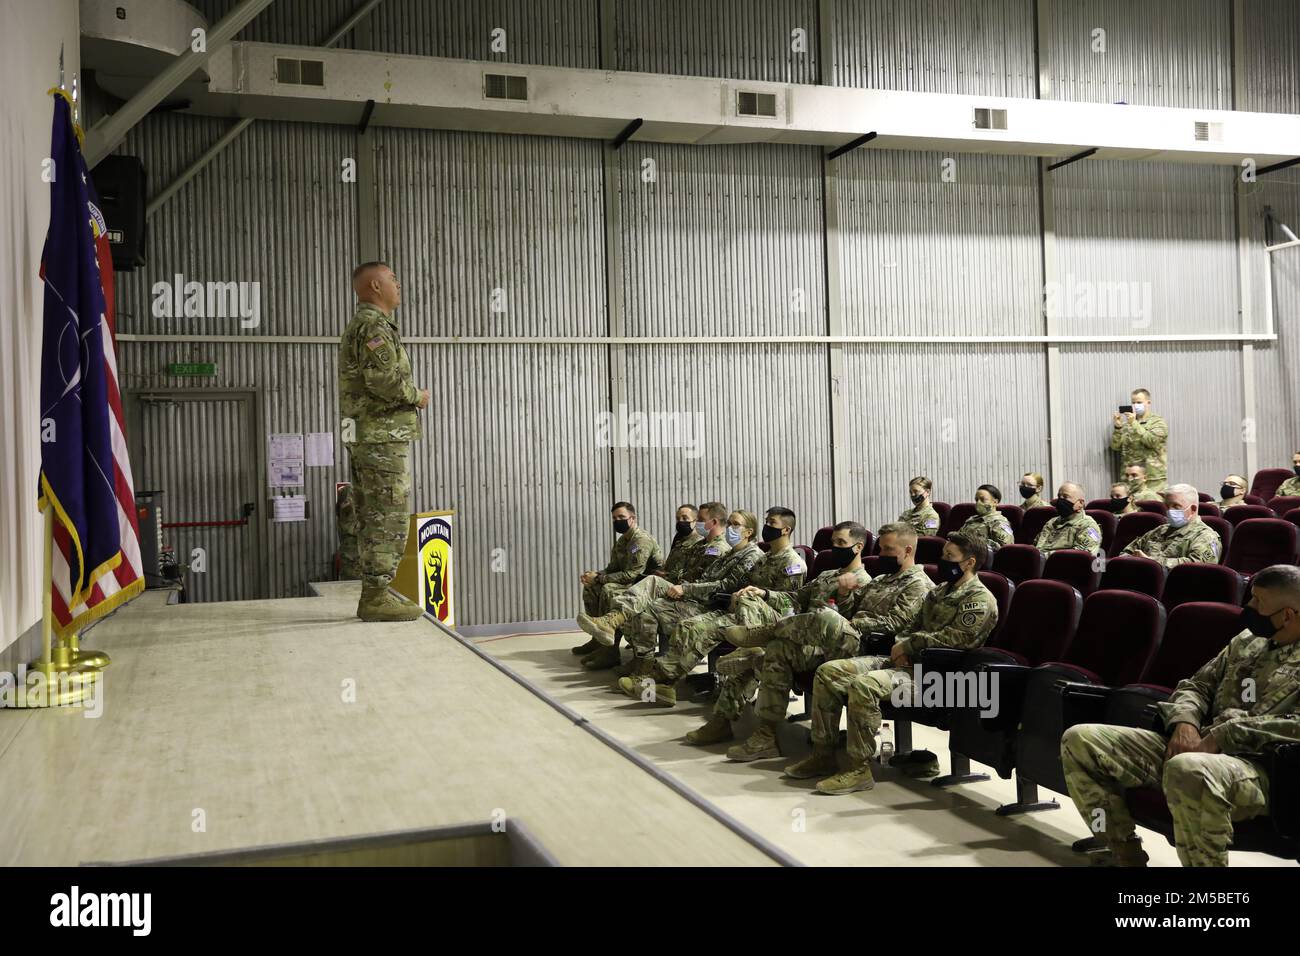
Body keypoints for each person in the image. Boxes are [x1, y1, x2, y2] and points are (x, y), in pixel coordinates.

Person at [1062, 564, 1300, 867]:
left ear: (1288, 614)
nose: (1249, 607)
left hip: (1267, 770)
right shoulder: (1247, 641)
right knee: (1081, 740)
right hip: (1201, 747)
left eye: (1258, 602)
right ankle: (1124, 851)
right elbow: (1196, 685)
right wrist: (1185, 722)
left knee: (1190, 769)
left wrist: (1223, 736)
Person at [786, 530, 998, 793]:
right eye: (943, 554)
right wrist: (903, 644)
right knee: (829, 672)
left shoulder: (979, 599)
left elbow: (956, 640)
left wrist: (909, 644)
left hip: (937, 678)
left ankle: (858, 769)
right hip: (906, 664)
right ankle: (823, 755)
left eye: (950, 556)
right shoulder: (939, 591)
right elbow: (911, 625)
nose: (943, 560)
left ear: (970, 562)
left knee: (865, 685)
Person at [723, 522, 933, 761]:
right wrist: (844, 596)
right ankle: (766, 735)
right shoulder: (882, 579)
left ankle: (766, 632)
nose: (881, 555)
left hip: (874, 649)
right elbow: (849, 609)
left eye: (887, 550)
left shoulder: (919, 584)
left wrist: (853, 624)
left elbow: (896, 624)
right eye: (881, 548)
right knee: (780, 649)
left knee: (826, 616)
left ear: (907, 550)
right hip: (845, 640)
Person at [617, 508, 807, 709]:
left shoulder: (793, 563)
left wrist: (763, 595)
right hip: (737, 610)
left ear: (786, 530)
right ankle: (666, 684)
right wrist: (739, 595)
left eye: (772, 523)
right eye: (766, 521)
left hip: (762, 622)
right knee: (688, 626)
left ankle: (657, 680)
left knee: (700, 630)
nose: (767, 526)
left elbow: (791, 603)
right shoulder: (765, 558)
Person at [338, 261, 429, 622]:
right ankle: (376, 595)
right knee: (388, 513)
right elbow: (383, 381)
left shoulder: (367, 326)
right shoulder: (373, 326)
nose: (399, 283)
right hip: (381, 436)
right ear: (375, 286)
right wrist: (416, 396)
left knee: (372, 511)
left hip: (370, 435)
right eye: (393, 278)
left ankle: (375, 592)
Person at [577, 501, 730, 672]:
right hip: (678, 590)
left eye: (700, 519)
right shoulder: (700, 545)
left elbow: (705, 584)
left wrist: (676, 581)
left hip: (694, 600)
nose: (696, 523)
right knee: (641, 601)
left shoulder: (718, 549)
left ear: (714, 522)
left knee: (649, 583)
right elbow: (684, 572)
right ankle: (627, 651)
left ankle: (612, 623)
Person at [572, 502, 662, 667]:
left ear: (632, 519)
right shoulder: (622, 541)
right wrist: (595, 575)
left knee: (607, 589)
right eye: (614, 518)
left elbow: (633, 574)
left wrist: (600, 579)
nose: (617, 521)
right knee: (591, 587)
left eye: (621, 517)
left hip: (644, 586)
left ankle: (610, 651)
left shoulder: (641, 540)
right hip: (629, 583)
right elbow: (612, 569)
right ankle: (598, 638)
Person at [1121, 484, 1221, 568]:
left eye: (1176, 506)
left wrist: (1151, 562)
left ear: (1193, 509)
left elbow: (1197, 567)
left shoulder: (1205, 536)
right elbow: (1127, 552)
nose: (1169, 511)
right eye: (1167, 506)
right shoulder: (1159, 531)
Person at [1111, 388, 1168, 493]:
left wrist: (1134, 424)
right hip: (1129, 479)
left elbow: (1152, 441)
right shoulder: (1127, 424)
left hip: (1152, 479)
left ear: (1148, 402)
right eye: (1133, 402)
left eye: (1139, 402)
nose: (1136, 405)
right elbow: (1116, 447)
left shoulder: (1158, 422)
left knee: (1152, 507)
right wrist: (1118, 428)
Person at [1034, 482, 1103, 555]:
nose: (1060, 500)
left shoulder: (1089, 525)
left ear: (1080, 503)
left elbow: (1081, 555)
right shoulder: (1052, 522)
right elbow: (1036, 545)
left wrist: (1042, 557)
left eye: (1065, 497)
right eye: (1059, 496)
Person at [958, 484, 1013, 551]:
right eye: (976, 500)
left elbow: (1005, 549)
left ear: (995, 502)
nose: (978, 503)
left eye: (982, 499)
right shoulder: (972, 519)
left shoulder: (999, 523)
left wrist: (973, 542)